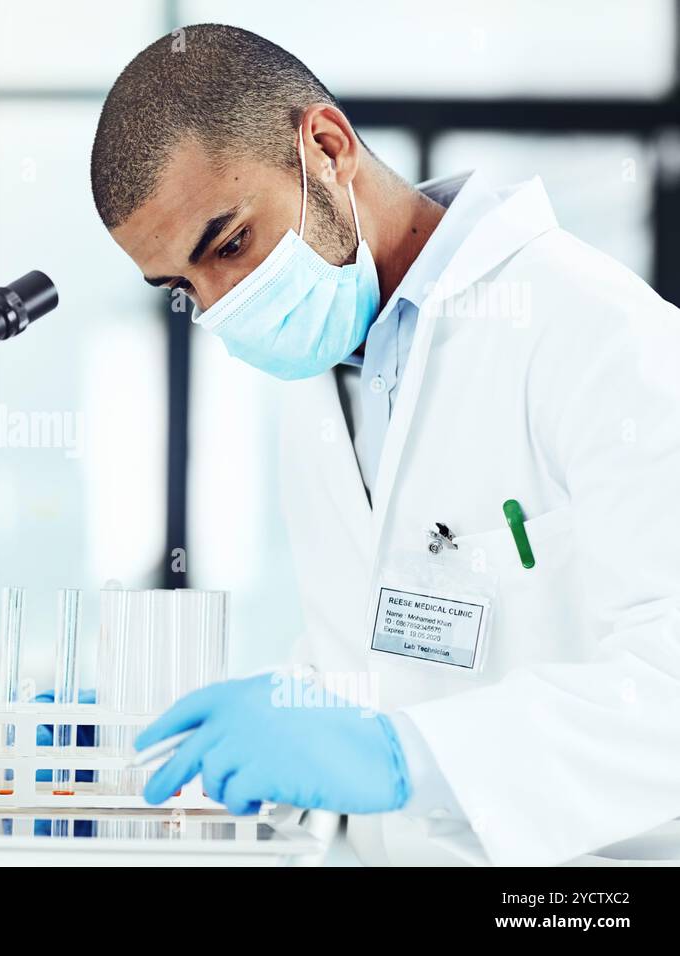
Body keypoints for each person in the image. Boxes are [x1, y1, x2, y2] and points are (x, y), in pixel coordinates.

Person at [90, 23, 680, 865]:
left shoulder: (601, 336)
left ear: (326, 147)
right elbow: (377, 665)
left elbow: (670, 682)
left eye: (229, 244)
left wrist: (404, 758)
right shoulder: (324, 373)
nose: (221, 306)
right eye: (185, 284)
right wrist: (214, 733)